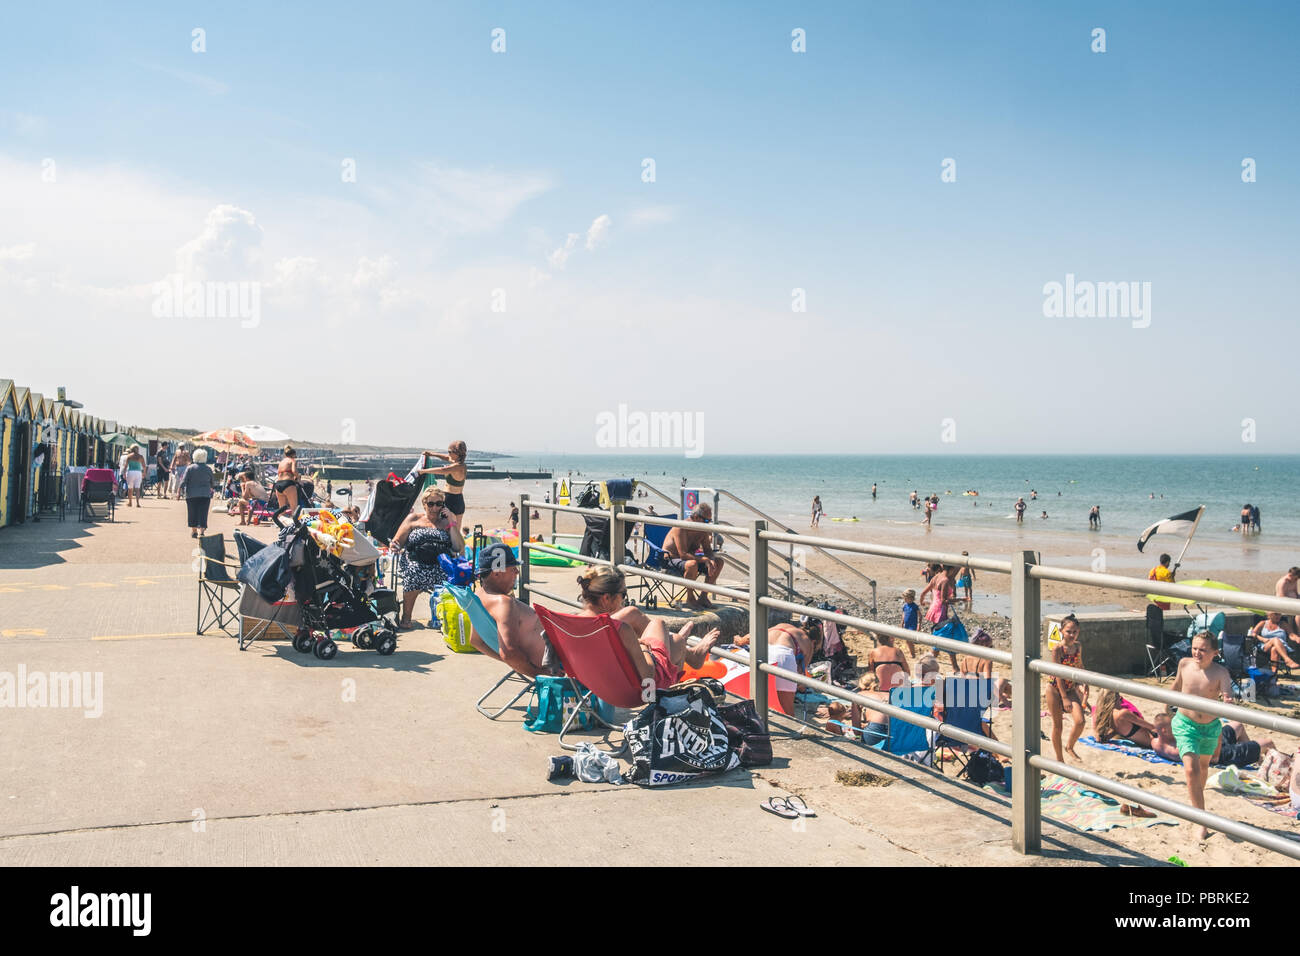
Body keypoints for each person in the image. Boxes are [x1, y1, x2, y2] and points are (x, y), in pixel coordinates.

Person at [574, 565, 719, 696]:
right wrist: (642, 646)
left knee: (669, 636)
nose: (623, 600)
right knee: (663, 628)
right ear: (606, 598)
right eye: (623, 594)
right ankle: (673, 697)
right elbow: (648, 676)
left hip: (597, 684)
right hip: (640, 691)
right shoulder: (620, 629)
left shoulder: (568, 623)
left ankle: (687, 650)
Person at [1170, 631, 1232, 840]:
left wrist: (1228, 701)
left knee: (1203, 768)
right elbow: (1176, 687)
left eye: (1203, 650)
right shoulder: (1184, 664)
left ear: (1215, 652)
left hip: (1210, 727)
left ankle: (1198, 802)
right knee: (1191, 770)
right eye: (1195, 648)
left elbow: (1227, 698)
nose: (1197, 652)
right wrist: (1163, 707)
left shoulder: (1221, 672)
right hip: (1185, 724)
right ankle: (1201, 820)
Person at [467, 543, 549, 678]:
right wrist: (538, 674)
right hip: (554, 664)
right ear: (497, 573)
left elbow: (476, 641)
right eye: (513, 568)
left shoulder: (478, 597)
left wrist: (517, 664)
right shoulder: (504, 603)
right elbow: (509, 653)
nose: (517, 572)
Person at [391, 487, 464, 630]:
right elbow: (397, 541)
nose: (435, 507)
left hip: (440, 564)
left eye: (439, 504)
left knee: (449, 577)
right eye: (431, 504)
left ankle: (440, 618)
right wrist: (394, 545)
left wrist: (451, 522)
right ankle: (406, 618)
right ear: (424, 503)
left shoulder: (446, 523)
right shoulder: (414, 519)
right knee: (414, 573)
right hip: (416, 561)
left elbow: (458, 547)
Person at [734, 618, 823, 715]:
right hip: (783, 657)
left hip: (761, 652)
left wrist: (739, 640)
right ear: (815, 641)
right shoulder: (809, 643)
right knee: (787, 711)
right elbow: (801, 678)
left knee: (757, 700)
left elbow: (749, 637)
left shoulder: (782, 625)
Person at [662, 502, 724, 610]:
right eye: (706, 520)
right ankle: (690, 598)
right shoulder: (681, 528)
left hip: (688, 559)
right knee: (692, 564)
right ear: (695, 517)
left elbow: (708, 550)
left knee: (719, 562)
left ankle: (703, 597)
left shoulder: (703, 529)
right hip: (671, 560)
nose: (708, 523)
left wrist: (712, 559)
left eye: (709, 521)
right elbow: (683, 555)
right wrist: (704, 559)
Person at [1045, 614, 1087, 762]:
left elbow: (1080, 665)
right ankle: (1059, 759)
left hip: (1070, 687)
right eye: (1069, 631)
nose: (1072, 635)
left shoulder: (1078, 646)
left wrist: (1084, 683)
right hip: (1055, 689)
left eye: (1075, 632)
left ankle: (1069, 746)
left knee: (1080, 721)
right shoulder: (1057, 649)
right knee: (1058, 726)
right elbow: (1057, 674)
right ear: (1062, 631)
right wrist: (1064, 698)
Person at [418, 441, 469, 525]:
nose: (448, 454)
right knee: (455, 528)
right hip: (459, 499)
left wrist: (422, 471)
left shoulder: (458, 466)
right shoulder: (458, 462)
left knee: (444, 526)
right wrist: (431, 454)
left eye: (449, 451)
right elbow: (446, 457)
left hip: (449, 499)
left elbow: (443, 470)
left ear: (456, 453)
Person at [180, 449, 215, 537]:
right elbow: (212, 482)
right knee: (203, 512)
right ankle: (202, 532)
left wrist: (179, 491)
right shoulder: (208, 469)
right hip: (205, 494)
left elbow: (184, 481)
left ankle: (194, 531)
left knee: (192, 512)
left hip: (191, 494)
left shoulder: (190, 468)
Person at [849, 673, 891, 747]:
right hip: (893, 728)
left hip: (874, 728)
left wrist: (859, 735)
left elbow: (856, 729)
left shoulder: (860, 694)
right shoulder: (889, 694)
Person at [273, 446, 301, 514]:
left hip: (278, 484)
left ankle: (280, 523)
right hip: (288, 484)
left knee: (281, 509)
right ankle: (295, 524)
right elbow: (294, 471)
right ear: (293, 454)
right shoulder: (292, 460)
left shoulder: (281, 462)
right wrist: (298, 477)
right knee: (294, 508)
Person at [1275, 567, 1300, 632]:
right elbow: (1282, 597)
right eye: (1295, 578)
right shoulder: (1283, 582)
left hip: (1294, 602)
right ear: (1290, 575)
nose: (1296, 580)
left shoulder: (1294, 581)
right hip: (1286, 604)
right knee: (1298, 615)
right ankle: (1299, 632)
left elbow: (1296, 593)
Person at [900, 588, 920, 657]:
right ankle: (912, 652)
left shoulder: (915, 606)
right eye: (904, 598)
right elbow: (903, 614)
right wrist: (902, 623)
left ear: (911, 598)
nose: (904, 600)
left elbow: (920, 615)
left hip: (912, 625)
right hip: (906, 625)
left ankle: (913, 654)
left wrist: (919, 624)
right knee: (907, 640)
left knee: (909, 640)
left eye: (906, 598)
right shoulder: (905, 606)